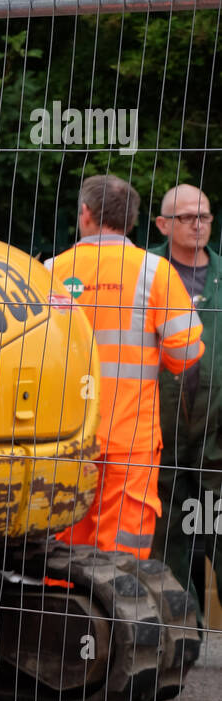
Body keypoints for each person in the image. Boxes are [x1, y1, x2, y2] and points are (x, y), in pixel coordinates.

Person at [47, 174, 204, 559]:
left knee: (62, 546)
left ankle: (61, 616)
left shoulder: (48, 271)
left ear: (85, 214)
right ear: (133, 220)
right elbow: (185, 354)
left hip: (64, 438)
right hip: (130, 437)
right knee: (123, 552)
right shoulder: (155, 271)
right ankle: (116, 620)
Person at [150, 184, 222, 617]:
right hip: (159, 430)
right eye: (187, 217)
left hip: (217, 436)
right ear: (162, 224)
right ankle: (178, 634)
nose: (198, 224)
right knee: (167, 537)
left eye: (206, 216)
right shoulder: (146, 271)